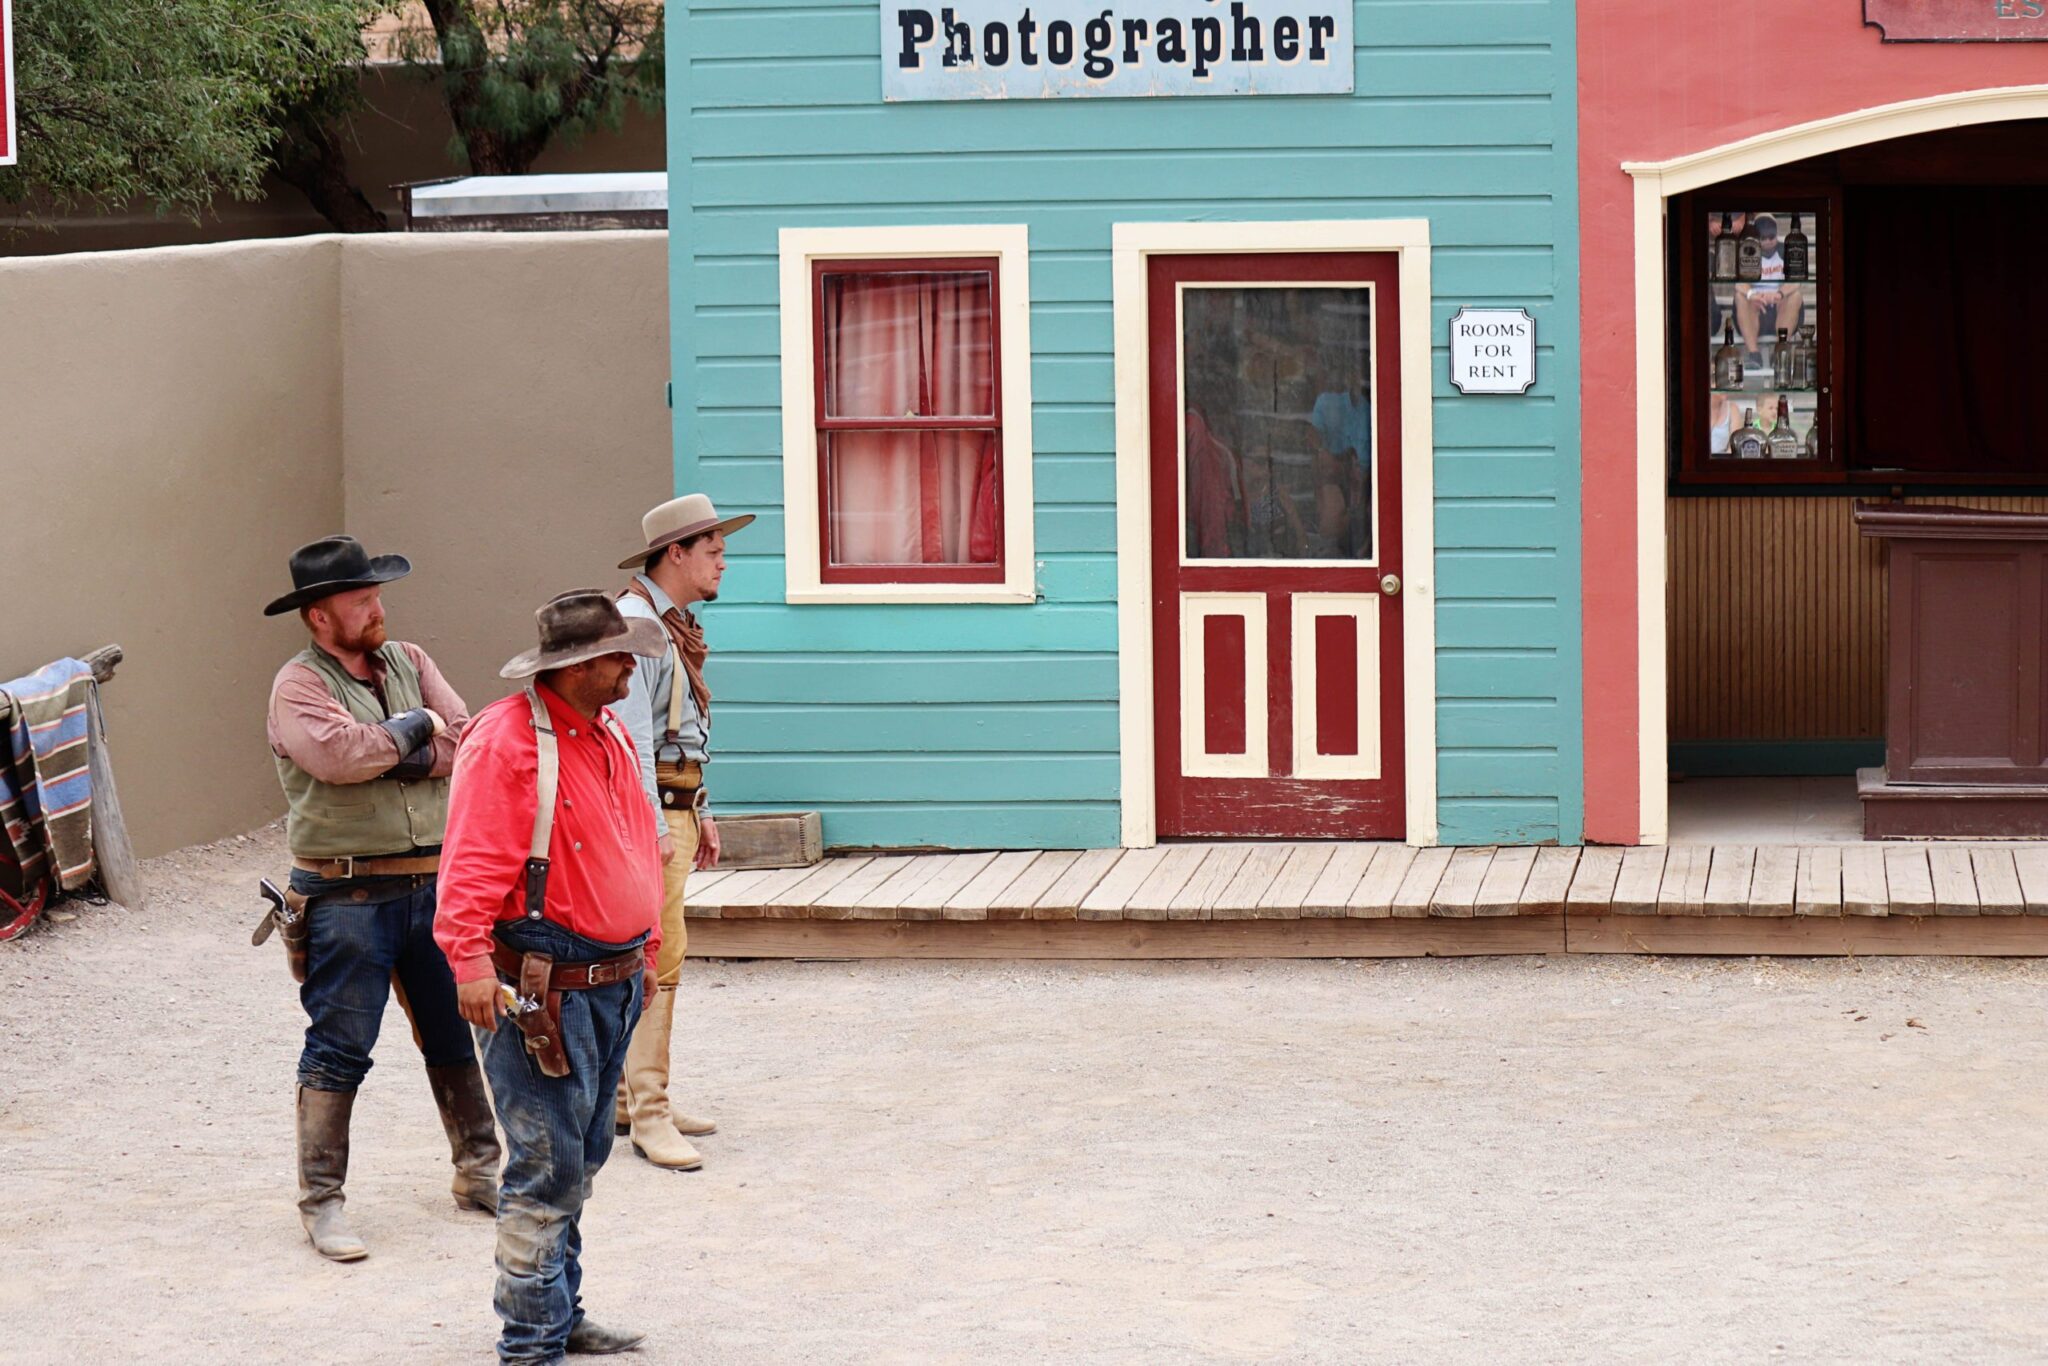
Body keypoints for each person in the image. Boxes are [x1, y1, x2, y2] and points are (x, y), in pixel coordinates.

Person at [435, 589, 668, 1364]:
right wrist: (468, 959)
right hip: (545, 986)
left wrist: (650, 943)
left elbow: (635, 840)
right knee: (545, 1166)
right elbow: (469, 859)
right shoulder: (507, 742)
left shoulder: (608, 735)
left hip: (610, 977)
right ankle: (532, 1342)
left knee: (582, 1155)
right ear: (575, 666)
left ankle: (557, 1315)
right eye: (616, 655)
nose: (629, 664)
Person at [262, 535, 499, 1263]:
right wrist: (418, 732)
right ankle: (322, 1202)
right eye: (360, 600)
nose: (377, 609)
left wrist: (401, 746)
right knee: (339, 1049)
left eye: (375, 595)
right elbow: (338, 759)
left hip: (433, 883)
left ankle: (480, 1172)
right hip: (345, 893)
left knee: (455, 1035)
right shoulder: (297, 686)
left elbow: (473, 741)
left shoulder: (411, 660)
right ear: (319, 617)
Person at [610, 494, 753, 1170]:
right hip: (652, 813)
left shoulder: (670, 625)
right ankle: (649, 1111)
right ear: (676, 554)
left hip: (675, 807)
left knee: (654, 952)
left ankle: (624, 1098)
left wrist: (701, 808)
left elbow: (681, 731)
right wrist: (653, 823)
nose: (724, 560)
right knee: (656, 958)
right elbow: (633, 738)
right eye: (713, 550)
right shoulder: (639, 627)